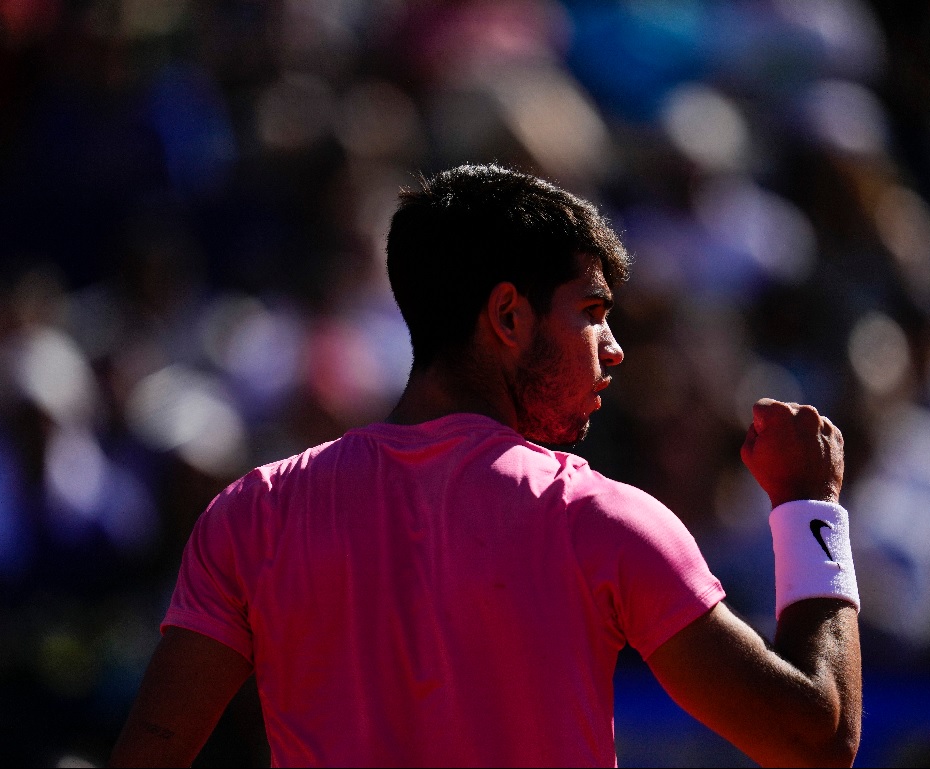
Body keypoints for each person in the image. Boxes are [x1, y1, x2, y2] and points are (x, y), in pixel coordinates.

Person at [109, 164, 861, 768]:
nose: (615, 348)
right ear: (507, 316)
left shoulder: (253, 513)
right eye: (592, 314)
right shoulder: (600, 520)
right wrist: (807, 506)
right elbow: (814, 740)